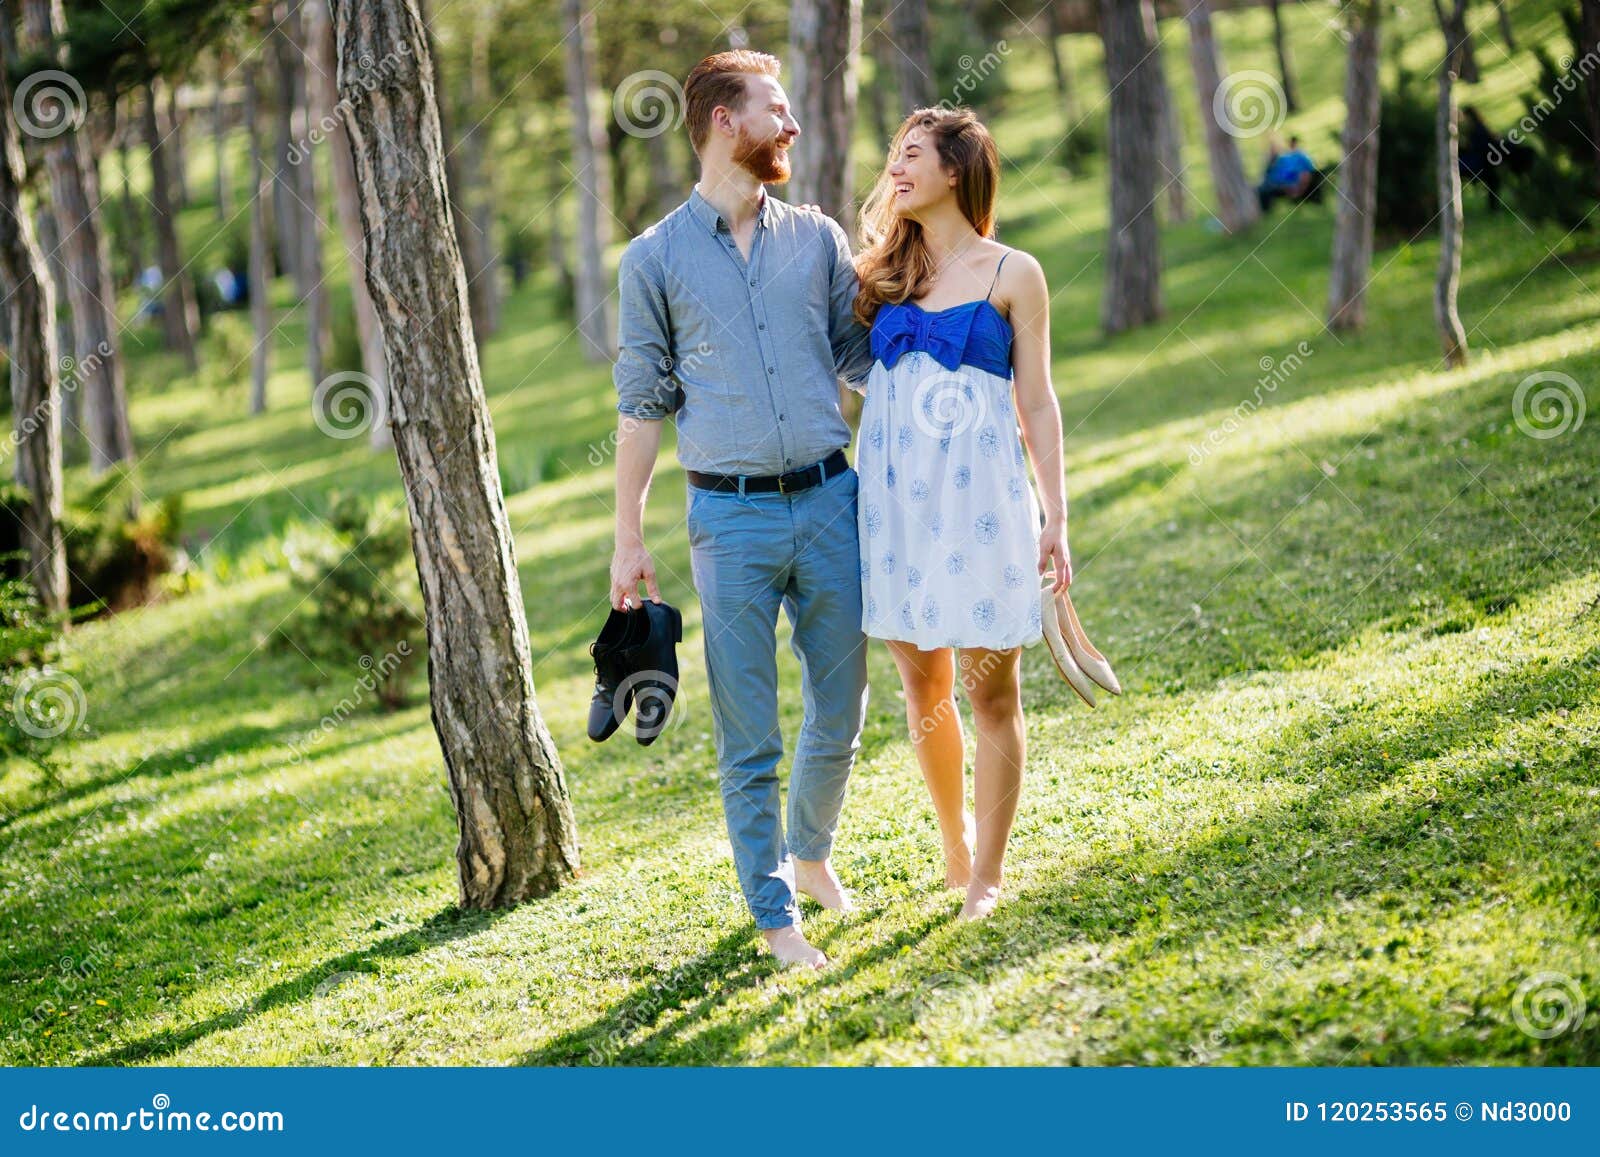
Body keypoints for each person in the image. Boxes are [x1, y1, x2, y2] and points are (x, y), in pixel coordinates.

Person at [609, 50, 875, 970]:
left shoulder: (818, 237)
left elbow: (861, 361)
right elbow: (641, 405)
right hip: (730, 521)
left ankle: (809, 852)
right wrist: (627, 537)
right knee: (749, 730)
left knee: (843, 703)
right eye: (776, 109)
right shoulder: (652, 259)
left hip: (832, 499)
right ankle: (773, 915)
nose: (791, 126)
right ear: (725, 122)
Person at [851, 107, 1072, 921]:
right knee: (925, 685)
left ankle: (988, 873)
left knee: (992, 694)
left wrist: (1057, 510)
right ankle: (953, 844)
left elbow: (1038, 402)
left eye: (912, 156)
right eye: (894, 155)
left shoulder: (1015, 272)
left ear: (957, 170)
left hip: (980, 499)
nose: (896, 171)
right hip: (897, 500)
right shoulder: (878, 276)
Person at [1257, 135, 1320, 211]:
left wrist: (1300, 188)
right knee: (1261, 190)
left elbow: (1307, 174)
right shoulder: (1284, 156)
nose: (1292, 145)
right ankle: (1265, 211)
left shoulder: (1302, 157)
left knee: (1265, 191)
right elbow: (1275, 171)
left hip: (1290, 185)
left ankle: (1266, 211)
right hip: (1276, 183)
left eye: (1293, 143)